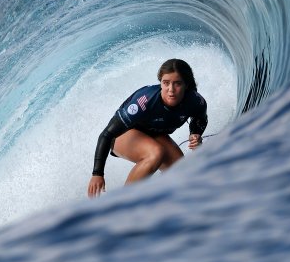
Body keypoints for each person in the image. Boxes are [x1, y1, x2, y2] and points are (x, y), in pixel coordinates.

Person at [87, 58, 208, 198]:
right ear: (160, 83)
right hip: (122, 135)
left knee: (182, 171)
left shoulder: (195, 101)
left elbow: (200, 119)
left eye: (177, 83)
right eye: (166, 83)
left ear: (186, 84)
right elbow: (106, 134)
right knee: (155, 153)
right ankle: (123, 202)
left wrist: (195, 133)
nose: (171, 90)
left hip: (153, 134)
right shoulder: (144, 101)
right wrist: (97, 174)